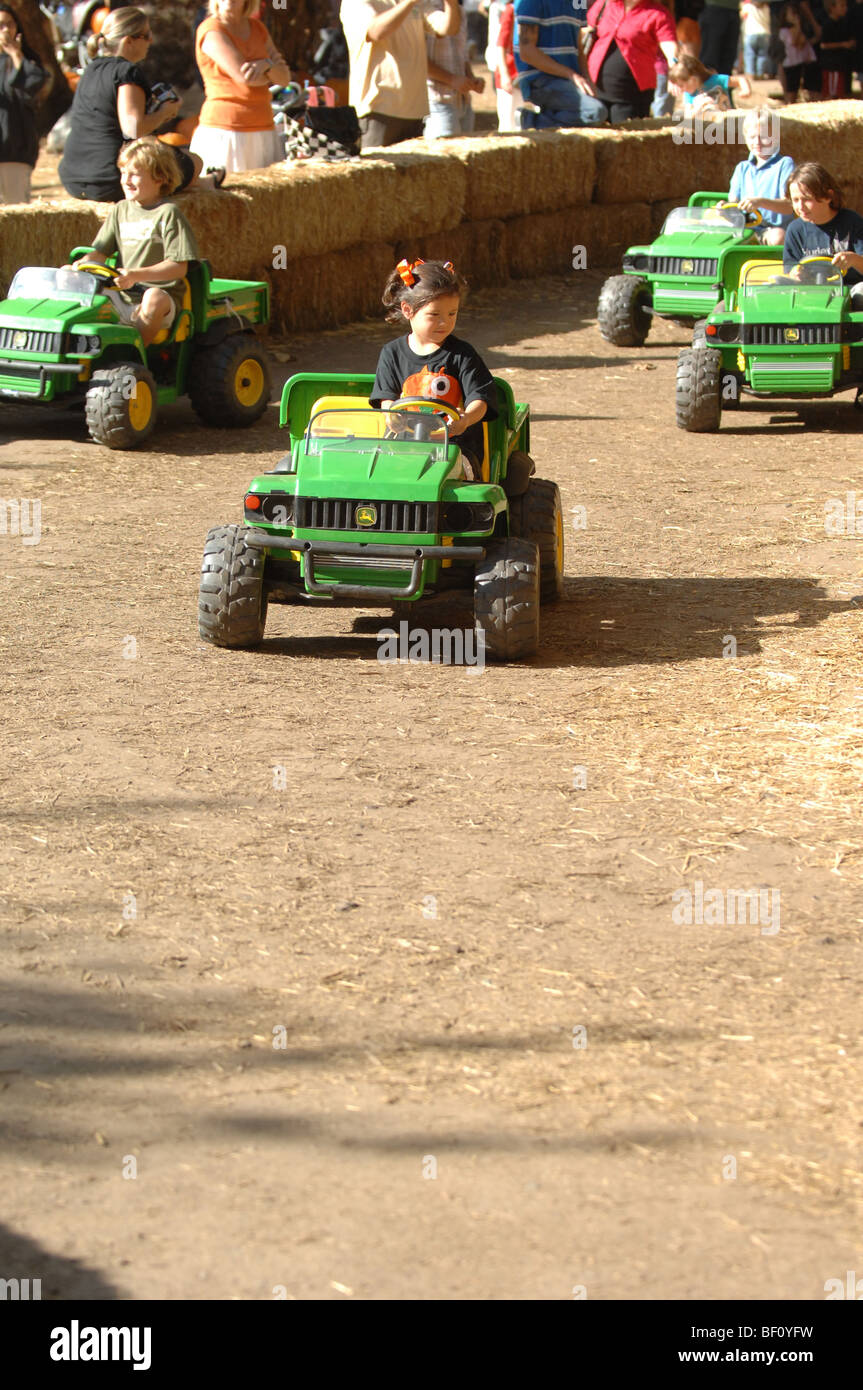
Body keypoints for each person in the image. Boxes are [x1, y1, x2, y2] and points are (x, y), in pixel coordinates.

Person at [59, 8, 217, 203]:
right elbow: (133, 128)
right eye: (146, 35)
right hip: (113, 178)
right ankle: (206, 183)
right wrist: (166, 111)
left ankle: (203, 184)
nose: (151, 40)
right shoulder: (126, 71)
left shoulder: (90, 69)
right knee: (194, 162)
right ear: (128, 41)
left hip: (72, 177)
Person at [370, 258, 498, 480]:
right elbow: (385, 398)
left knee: (456, 479)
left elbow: (480, 398)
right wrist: (391, 413)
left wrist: (466, 418)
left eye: (452, 314)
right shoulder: (392, 353)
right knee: (379, 476)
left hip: (456, 446)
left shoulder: (462, 354)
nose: (444, 323)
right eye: (434, 315)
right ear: (408, 310)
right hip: (403, 444)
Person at [72, 138, 200, 347]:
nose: (126, 180)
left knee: (153, 298)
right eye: (123, 173)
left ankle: (133, 354)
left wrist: (135, 275)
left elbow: (178, 268)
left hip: (160, 300)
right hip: (120, 296)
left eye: (134, 174)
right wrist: (80, 266)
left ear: (160, 177)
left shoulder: (168, 213)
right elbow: (99, 253)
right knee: (68, 275)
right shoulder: (120, 210)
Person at [340, 0, 460, 150]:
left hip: (414, 112)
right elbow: (376, 31)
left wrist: (452, 4)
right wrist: (408, 3)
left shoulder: (416, 3)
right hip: (378, 109)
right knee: (378, 172)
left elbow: (448, 29)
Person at [191, 0, 292, 174]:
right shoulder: (211, 30)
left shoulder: (258, 28)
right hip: (226, 131)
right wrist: (271, 71)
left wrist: (266, 65)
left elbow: (284, 79)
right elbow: (245, 77)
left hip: (264, 128)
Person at [513, 0, 606, 127]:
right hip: (540, 80)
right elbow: (527, 52)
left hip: (568, 81)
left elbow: (578, 47)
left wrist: (587, 80)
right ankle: (531, 122)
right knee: (594, 112)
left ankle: (540, 122)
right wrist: (571, 75)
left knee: (595, 113)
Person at [584, 0, 679, 123]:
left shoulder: (658, 13)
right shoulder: (603, 5)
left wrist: (675, 70)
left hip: (632, 96)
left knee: (624, 139)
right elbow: (583, 33)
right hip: (595, 91)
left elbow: (669, 47)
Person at [783, 163, 863, 296]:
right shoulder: (795, 230)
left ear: (828, 196)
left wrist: (853, 259)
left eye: (806, 199)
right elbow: (789, 268)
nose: (800, 206)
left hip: (850, 291)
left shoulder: (851, 221)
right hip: (810, 293)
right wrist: (794, 273)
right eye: (795, 200)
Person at [0, 4, 46, 204]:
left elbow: (34, 84)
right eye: (0, 25)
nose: (6, 30)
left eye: (10, 24)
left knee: (14, 216)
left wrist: (16, 55)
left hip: (15, 152)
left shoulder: (28, 61)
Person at [728, 108, 794, 244]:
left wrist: (760, 202)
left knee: (778, 237)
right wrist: (724, 209)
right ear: (745, 138)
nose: (757, 142)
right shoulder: (742, 168)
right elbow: (733, 203)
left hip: (772, 229)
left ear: (775, 137)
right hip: (745, 229)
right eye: (752, 137)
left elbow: (789, 206)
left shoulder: (784, 164)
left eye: (763, 137)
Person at [425, 0, 485, 136]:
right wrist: (452, 80)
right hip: (437, 102)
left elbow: (462, 55)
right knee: (443, 155)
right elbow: (417, 60)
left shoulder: (459, 10)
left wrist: (471, 78)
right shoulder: (423, 8)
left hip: (463, 102)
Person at [668, 51, 752, 111]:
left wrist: (746, 90)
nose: (681, 89)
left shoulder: (716, 80)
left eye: (681, 85)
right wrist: (698, 108)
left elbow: (740, 79)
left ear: (693, 78)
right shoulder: (689, 94)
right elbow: (688, 115)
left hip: (726, 123)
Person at [778, 2, 820, 99]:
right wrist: (797, 25)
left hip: (801, 61)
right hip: (791, 64)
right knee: (791, 91)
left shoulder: (802, 29)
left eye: (796, 13)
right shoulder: (784, 31)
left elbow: (802, 43)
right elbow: (794, 41)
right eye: (792, 14)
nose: (795, 16)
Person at [493, 0, 523, 129]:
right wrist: (505, 75)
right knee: (508, 125)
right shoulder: (511, 10)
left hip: (523, 76)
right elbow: (500, 45)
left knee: (521, 124)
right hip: (510, 75)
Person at [818, 0, 856, 96]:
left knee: (841, 93)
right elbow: (823, 45)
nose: (845, 8)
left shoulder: (844, 23)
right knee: (831, 94)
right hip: (832, 65)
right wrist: (843, 44)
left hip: (842, 65)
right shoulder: (828, 24)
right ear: (832, 7)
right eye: (842, 6)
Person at [699, 0, 742, 73]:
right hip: (713, 8)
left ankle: (723, 83)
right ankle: (707, 83)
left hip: (734, 9)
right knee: (709, 56)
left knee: (729, 56)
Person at [740, 0, 775, 75]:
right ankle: (760, 73)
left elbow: (742, 15)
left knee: (750, 55)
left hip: (751, 33)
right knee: (762, 55)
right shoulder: (767, 8)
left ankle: (750, 73)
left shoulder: (748, 7)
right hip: (765, 33)